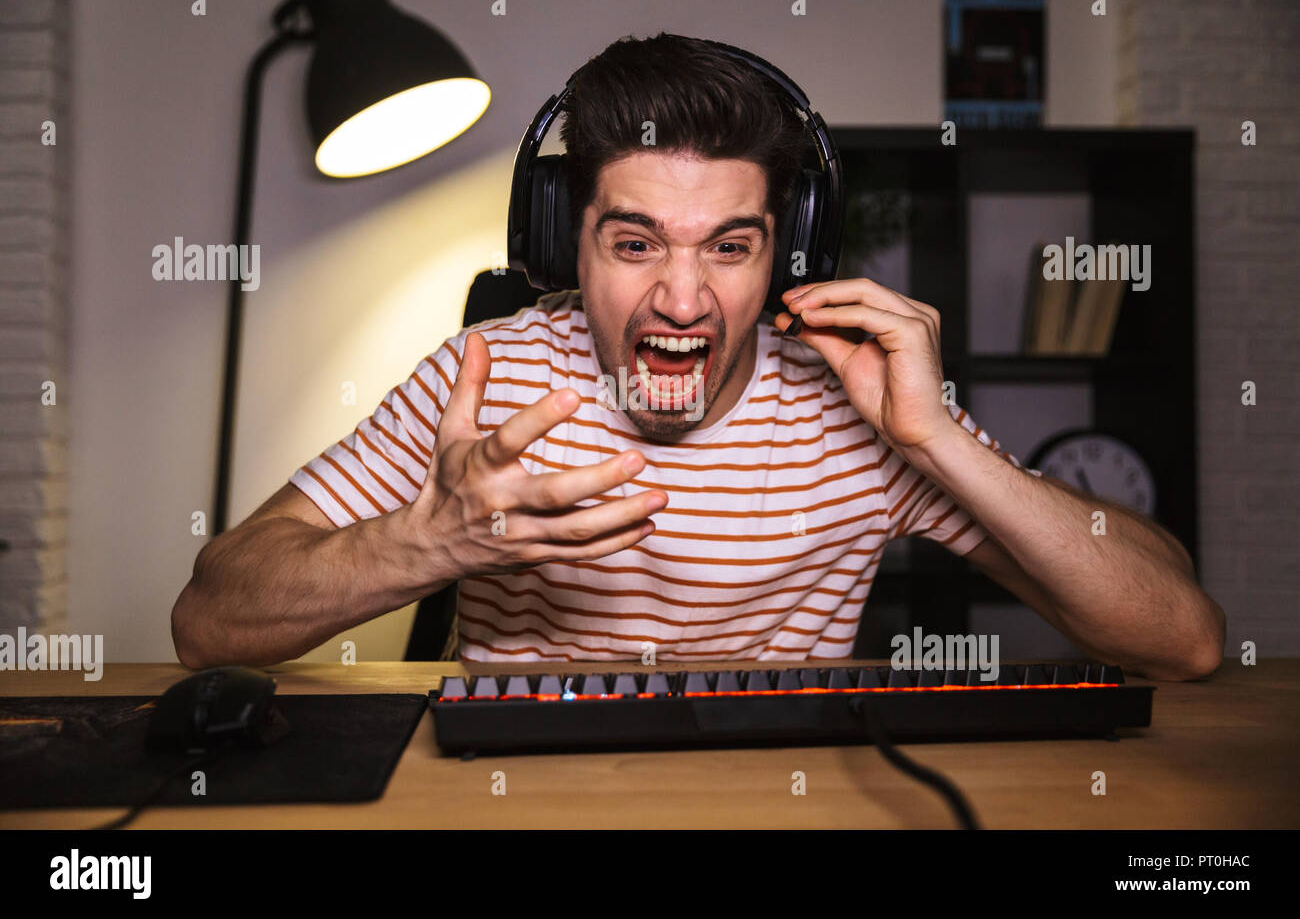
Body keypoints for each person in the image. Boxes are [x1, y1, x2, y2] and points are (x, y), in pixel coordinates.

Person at [171, 33, 1224, 678]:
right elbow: (209, 621)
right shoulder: (486, 373)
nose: (682, 297)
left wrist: (935, 438)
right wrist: (433, 540)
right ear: (559, 245)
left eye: (729, 245)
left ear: (790, 253)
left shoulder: (855, 399)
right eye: (635, 243)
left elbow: (1180, 639)